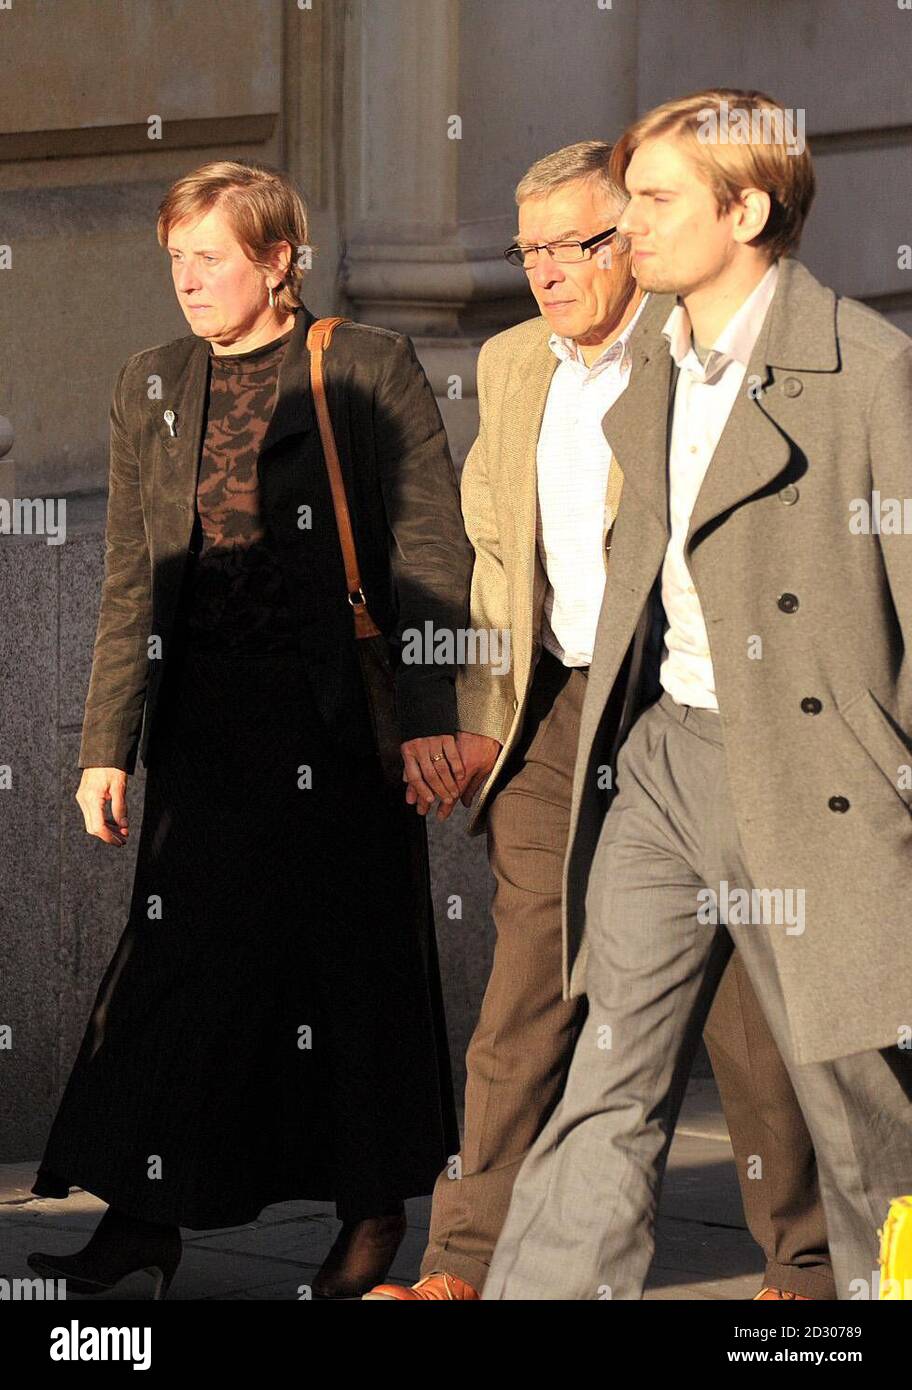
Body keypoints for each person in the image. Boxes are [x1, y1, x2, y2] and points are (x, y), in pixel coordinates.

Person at [366, 141, 833, 1301]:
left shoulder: (693, 357)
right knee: (529, 979)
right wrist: (480, 708)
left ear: (629, 240)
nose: (545, 271)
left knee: (739, 1005)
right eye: (528, 249)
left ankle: (805, 1262)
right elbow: (490, 553)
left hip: (680, 698)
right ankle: (464, 1262)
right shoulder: (515, 362)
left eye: (572, 244)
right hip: (557, 710)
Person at [485, 89, 912, 1301]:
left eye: (657, 199)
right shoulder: (652, 369)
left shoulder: (870, 374)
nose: (629, 226)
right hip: (669, 762)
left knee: (864, 1117)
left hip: (821, 786)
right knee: (606, 1075)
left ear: (750, 208)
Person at [27, 159, 473, 1301]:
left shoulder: (363, 366)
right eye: (174, 258)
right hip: (204, 729)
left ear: (280, 260)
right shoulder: (153, 382)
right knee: (177, 970)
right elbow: (135, 573)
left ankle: (372, 1216)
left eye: (209, 256)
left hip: (333, 724)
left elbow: (430, 551)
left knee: (350, 971)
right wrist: (101, 746)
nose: (186, 280)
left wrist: (431, 718)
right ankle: (143, 1216)